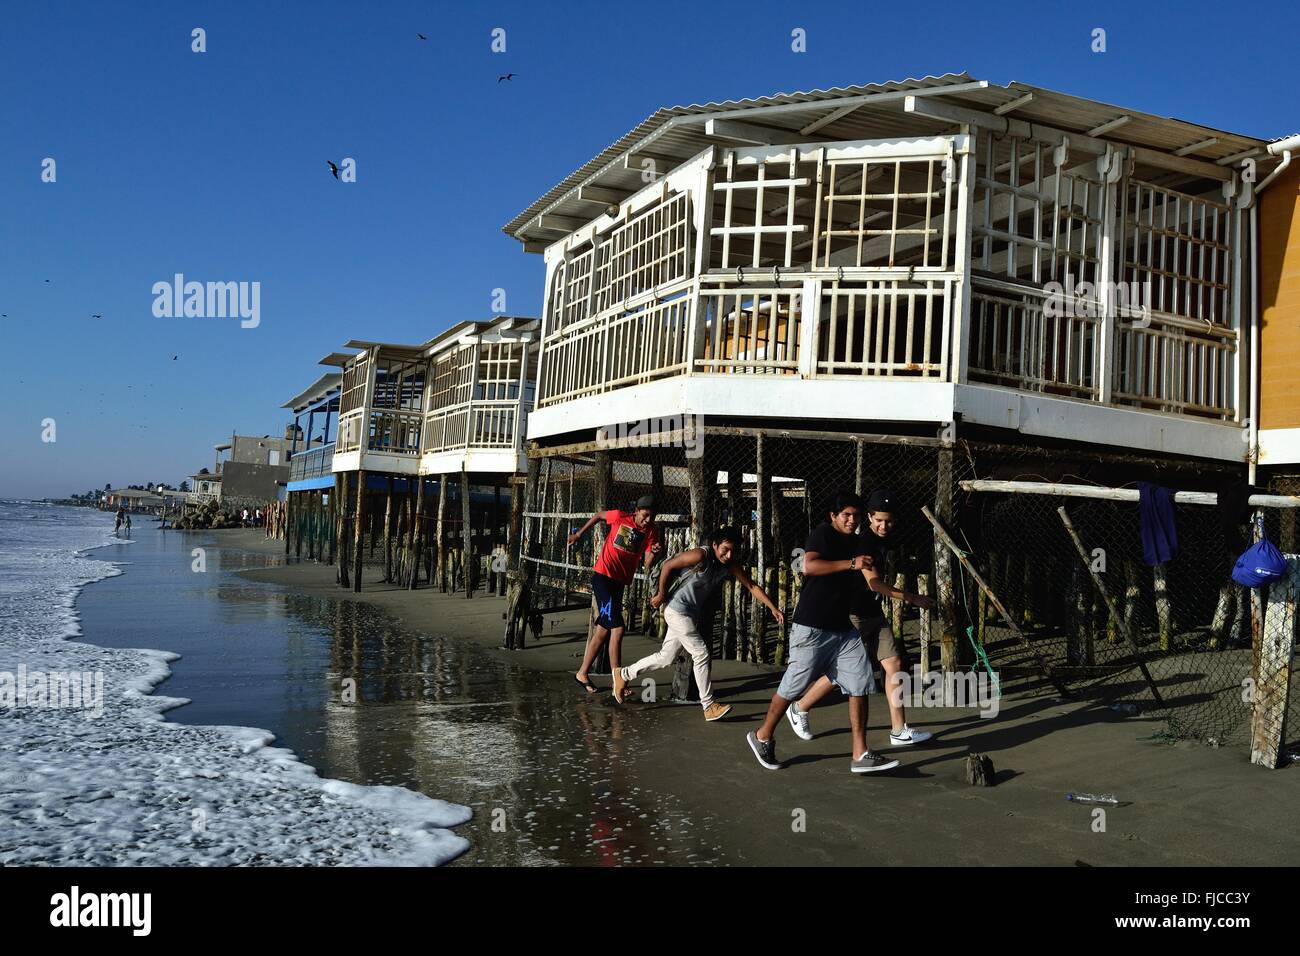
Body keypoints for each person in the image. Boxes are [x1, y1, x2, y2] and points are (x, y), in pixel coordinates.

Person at [746, 491, 899, 773]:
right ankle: (762, 735)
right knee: (793, 686)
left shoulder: (856, 542)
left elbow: (871, 578)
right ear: (833, 516)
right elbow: (808, 565)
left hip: (844, 629)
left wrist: (901, 593)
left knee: (860, 684)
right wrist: (851, 563)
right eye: (846, 515)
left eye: (856, 515)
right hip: (812, 626)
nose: (852, 520)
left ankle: (860, 753)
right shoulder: (823, 534)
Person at [786, 488, 935, 746]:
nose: (884, 526)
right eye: (879, 520)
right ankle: (799, 707)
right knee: (842, 672)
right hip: (854, 613)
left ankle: (899, 730)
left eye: (889, 521)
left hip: (873, 611)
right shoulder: (864, 542)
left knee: (894, 663)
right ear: (869, 518)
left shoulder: (882, 540)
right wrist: (912, 598)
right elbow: (874, 582)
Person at [622, 526, 784, 721]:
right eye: (725, 549)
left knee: (666, 657)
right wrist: (661, 595)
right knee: (701, 653)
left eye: (733, 551)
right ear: (715, 545)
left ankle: (624, 674)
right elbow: (668, 566)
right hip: (676, 610)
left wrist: (773, 608)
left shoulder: (730, 564)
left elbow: (751, 585)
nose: (728, 555)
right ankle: (708, 705)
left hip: (688, 614)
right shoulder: (701, 554)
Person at [569, 495, 662, 702]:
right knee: (618, 629)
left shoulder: (651, 531)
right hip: (603, 577)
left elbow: (647, 563)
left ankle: (582, 673)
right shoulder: (620, 517)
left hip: (619, 582)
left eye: (652, 517)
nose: (648, 520)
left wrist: (654, 552)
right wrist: (579, 534)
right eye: (645, 515)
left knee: (603, 629)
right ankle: (617, 681)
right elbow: (598, 515)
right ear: (637, 511)